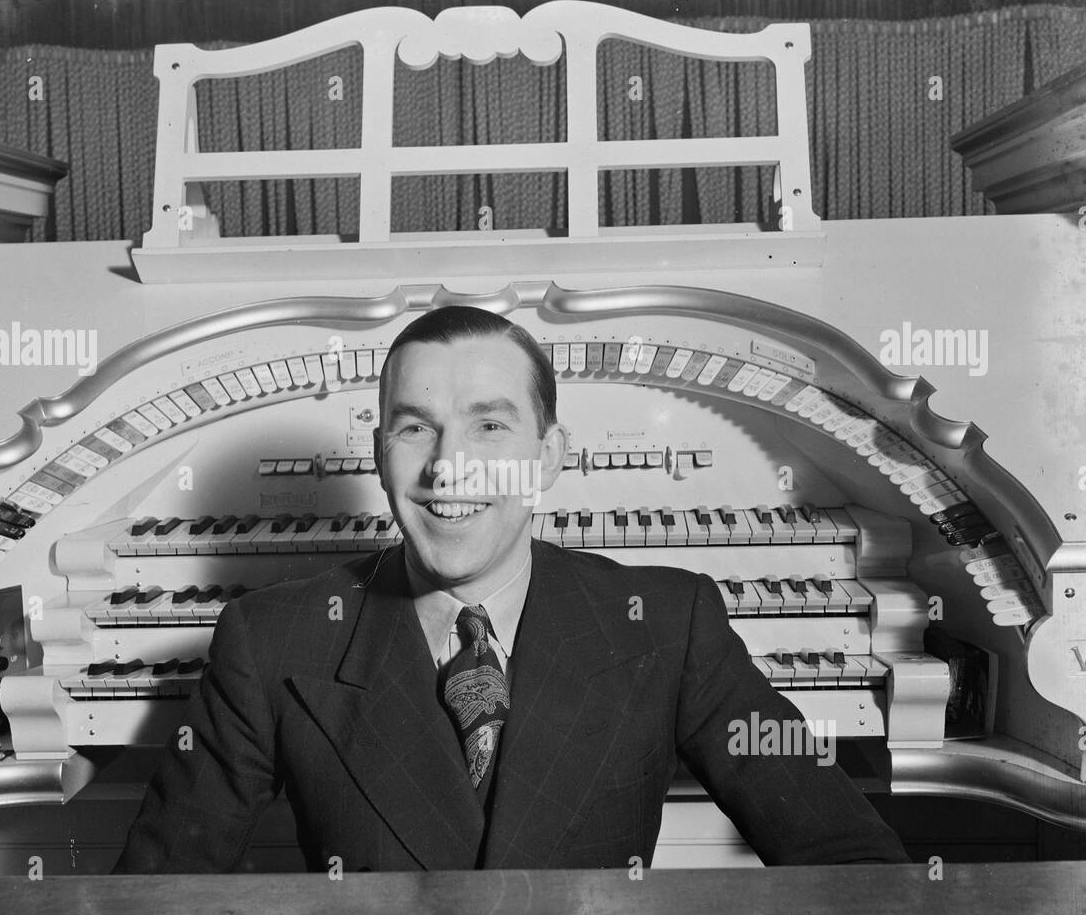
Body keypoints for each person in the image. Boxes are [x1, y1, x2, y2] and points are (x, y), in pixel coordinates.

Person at [115, 306, 908, 872]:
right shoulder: (271, 639)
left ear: (550, 457)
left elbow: (845, 855)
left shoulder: (671, 623)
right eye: (414, 426)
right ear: (382, 451)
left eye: (489, 427)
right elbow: (150, 908)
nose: (448, 468)